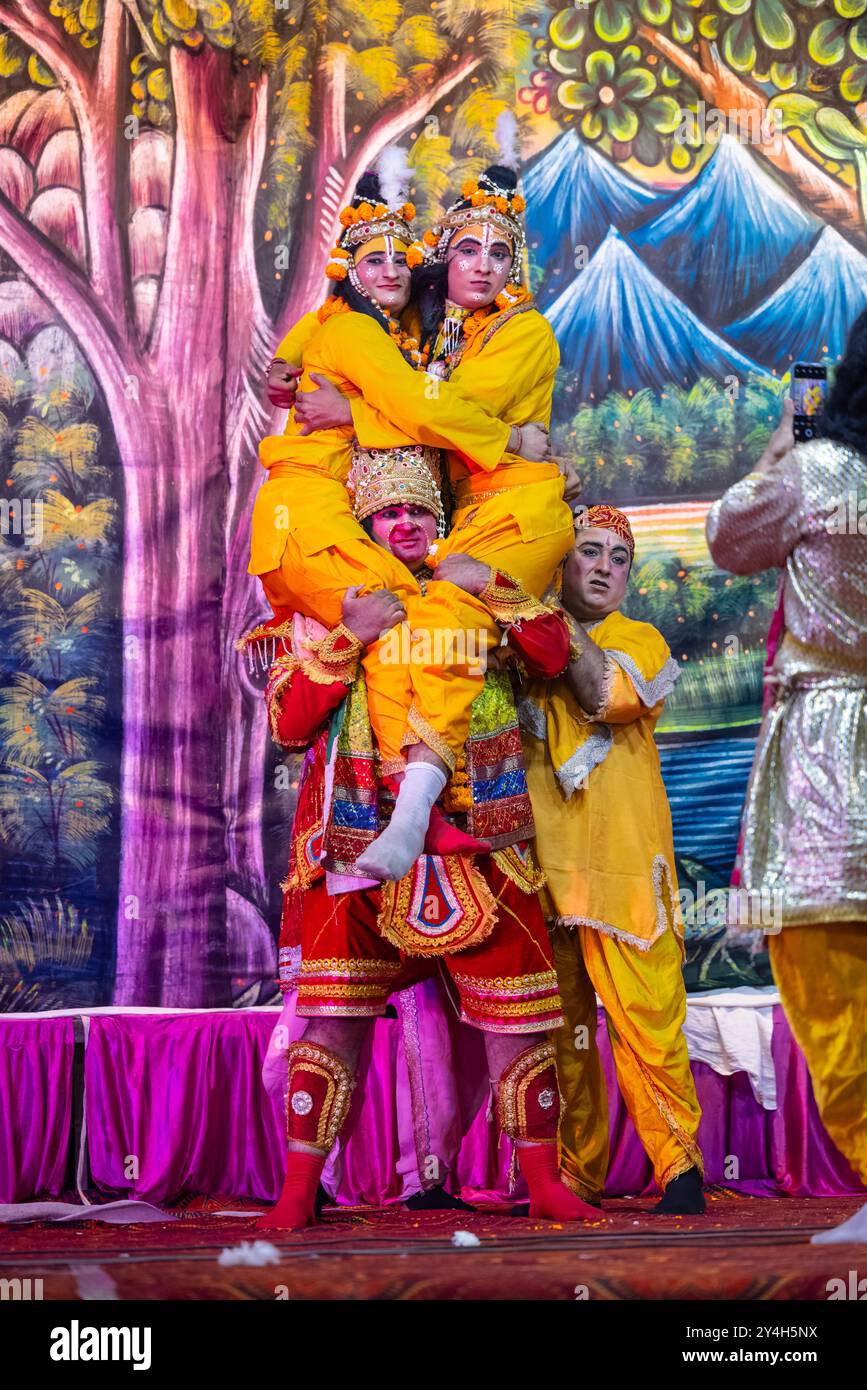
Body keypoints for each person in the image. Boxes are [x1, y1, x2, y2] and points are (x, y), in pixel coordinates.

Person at [246, 448, 597, 1231]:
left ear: (437, 523)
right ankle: (298, 1193)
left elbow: (553, 654)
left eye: (417, 513)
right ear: (363, 526)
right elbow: (288, 724)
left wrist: (493, 587)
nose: (403, 524)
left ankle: (542, 1184)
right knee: (333, 1017)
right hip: (353, 834)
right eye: (387, 514)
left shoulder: (470, 589)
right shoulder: (325, 606)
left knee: (521, 1015)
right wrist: (350, 633)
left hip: (483, 828)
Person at [275, 146, 579, 880]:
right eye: (467, 249)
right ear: (442, 257)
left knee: (438, 620)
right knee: (399, 622)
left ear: (516, 269)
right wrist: (295, 371)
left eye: (500, 255)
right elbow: (351, 348)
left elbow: (443, 409)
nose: (482, 265)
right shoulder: (404, 327)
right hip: (447, 519)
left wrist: (352, 406)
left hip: (519, 513)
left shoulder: (523, 333)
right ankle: (411, 804)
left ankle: (414, 811)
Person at [706, 312, 867, 1242]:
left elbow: (728, 537)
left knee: (822, 971)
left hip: (830, 748)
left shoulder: (818, 475)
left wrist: (781, 445)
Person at [509, 505, 705, 1215]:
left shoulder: (638, 640)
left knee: (648, 1021)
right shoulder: (517, 647)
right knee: (562, 1037)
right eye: (587, 552)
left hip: (623, 869)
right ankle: (571, 1181)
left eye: (617, 558)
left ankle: (679, 1171)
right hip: (540, 871)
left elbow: (607, 697)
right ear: (560, 563)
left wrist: (542, 626)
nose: (602, 567)